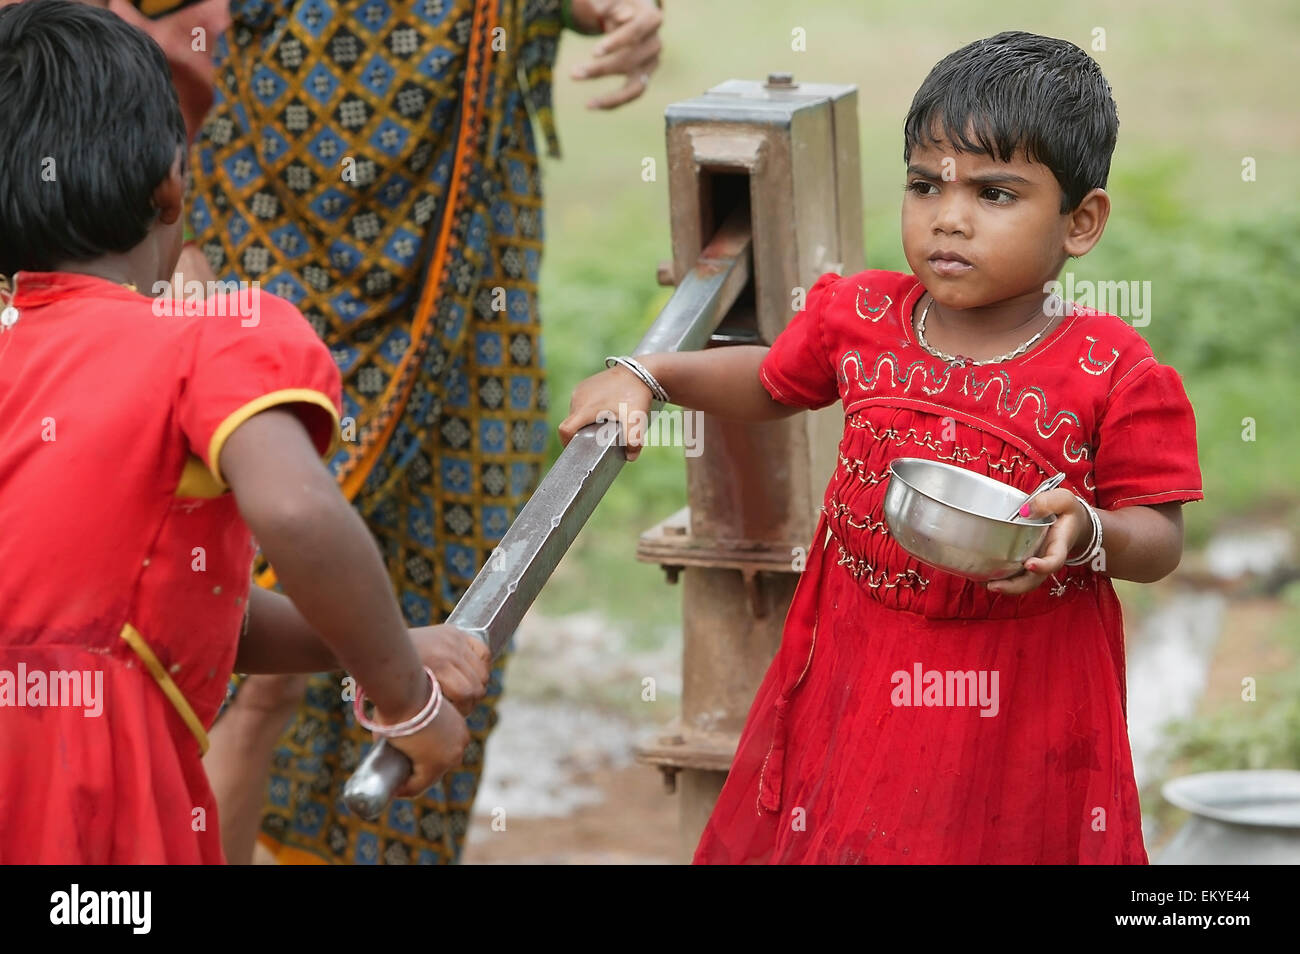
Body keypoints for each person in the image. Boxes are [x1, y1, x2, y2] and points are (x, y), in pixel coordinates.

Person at [561, 31, 1204, 864]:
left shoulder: (1111, 371)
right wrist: (648, 375)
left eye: (996, 193)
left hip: (1022, 698)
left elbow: (1157, 541)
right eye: (924, 183)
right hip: (859, 667)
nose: (949, 216)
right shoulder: (863, 317)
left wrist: (1087, 529)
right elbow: (769, 384)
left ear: (1081, 222)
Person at [163, 0, 666, 864]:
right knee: (247, 661)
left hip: (466, 264)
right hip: (262, 233)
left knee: (459, 598)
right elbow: (114, 32)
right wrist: (172, 225)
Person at [0, 0, 487, 863]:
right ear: (172, 188)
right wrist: (405, 697)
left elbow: (150, 602)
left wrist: (367, 644)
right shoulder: (211, 336)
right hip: (96, 790)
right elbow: (298, 519)